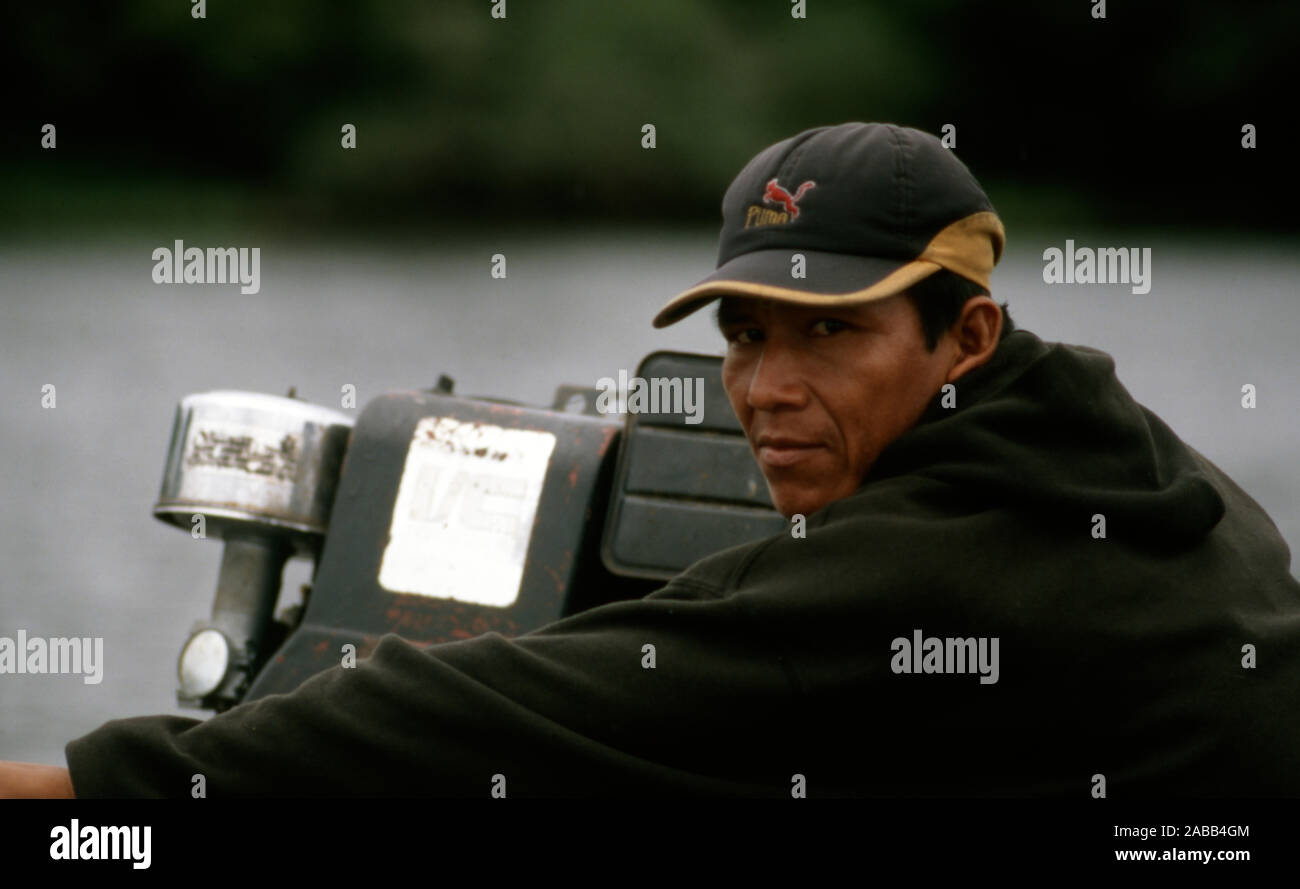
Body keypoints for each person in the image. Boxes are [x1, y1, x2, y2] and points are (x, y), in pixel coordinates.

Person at [4, 122, 1298, 797]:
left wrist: (89, 784)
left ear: (963, 332)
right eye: (745, 334)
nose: (767, 391)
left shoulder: (929, 568)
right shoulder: (1123, 455)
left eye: (832, 336)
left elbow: (512, 704)